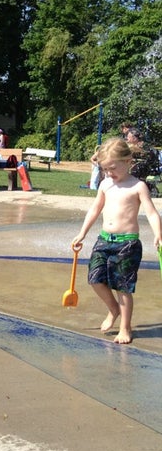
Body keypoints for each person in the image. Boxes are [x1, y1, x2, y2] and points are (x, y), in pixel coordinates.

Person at [72, 137, 162, 344]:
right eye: (105, 169)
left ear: (128, 161)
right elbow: (95, 209)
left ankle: (125, 328)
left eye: (112, 168)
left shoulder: (138, 187)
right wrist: (82, 233)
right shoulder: (105, 184)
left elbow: (151, 213)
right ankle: (113, 309)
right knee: (95, 279)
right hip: (104, 240)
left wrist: (158, 234)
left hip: (127, 244)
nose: (108, 173)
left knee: (123, 287)